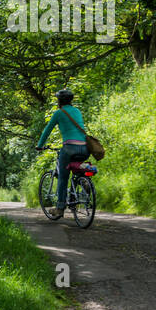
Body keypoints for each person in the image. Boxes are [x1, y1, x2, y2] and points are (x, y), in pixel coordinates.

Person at [36, 88, 89, 219]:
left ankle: (60, 208)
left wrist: (39, 146)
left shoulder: (59, 113)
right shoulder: (77, 111)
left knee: (63, 177)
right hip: (85, 147)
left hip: (69, 148)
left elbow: (47, 131)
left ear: (59, 101)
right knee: (77, 167)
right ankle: (83, 182)